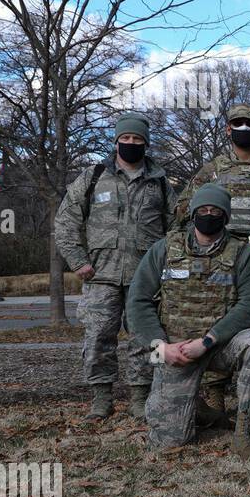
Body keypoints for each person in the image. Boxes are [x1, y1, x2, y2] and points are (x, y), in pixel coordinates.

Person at [127, 184, 250, 459]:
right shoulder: (164, 249)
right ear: (192, 214)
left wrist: (208, 341)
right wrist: (161, 347)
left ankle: (243, 435)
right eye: (202, 210)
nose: (208, 214)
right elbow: (138, 301)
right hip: (174, 348)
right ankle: (203, 411)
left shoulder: (245, 254)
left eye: (215, 211)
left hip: (220, 345)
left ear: (226, 217)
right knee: (169, 443)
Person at [174, 105, 250, 412]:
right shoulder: (212, 170)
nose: (244, 128)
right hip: (220, 258)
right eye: (237, 123)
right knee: (218, 318)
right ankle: (215, 390)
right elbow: (183, 209)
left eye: (249, 123)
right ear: (228, 129)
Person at [54, 115, 174, 420]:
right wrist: (78, 261)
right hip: (100, 276)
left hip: (145, 278)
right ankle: (101, 398)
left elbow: (176, 229)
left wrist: (168, 268)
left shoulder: (160, 181)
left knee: (144, 339)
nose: (131, 144)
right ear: (116, 141)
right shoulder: (94, 176)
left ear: (146, 143)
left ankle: (139, 397)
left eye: (137, 140)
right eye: (126, 139)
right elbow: (66, 221)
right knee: (97, 338)